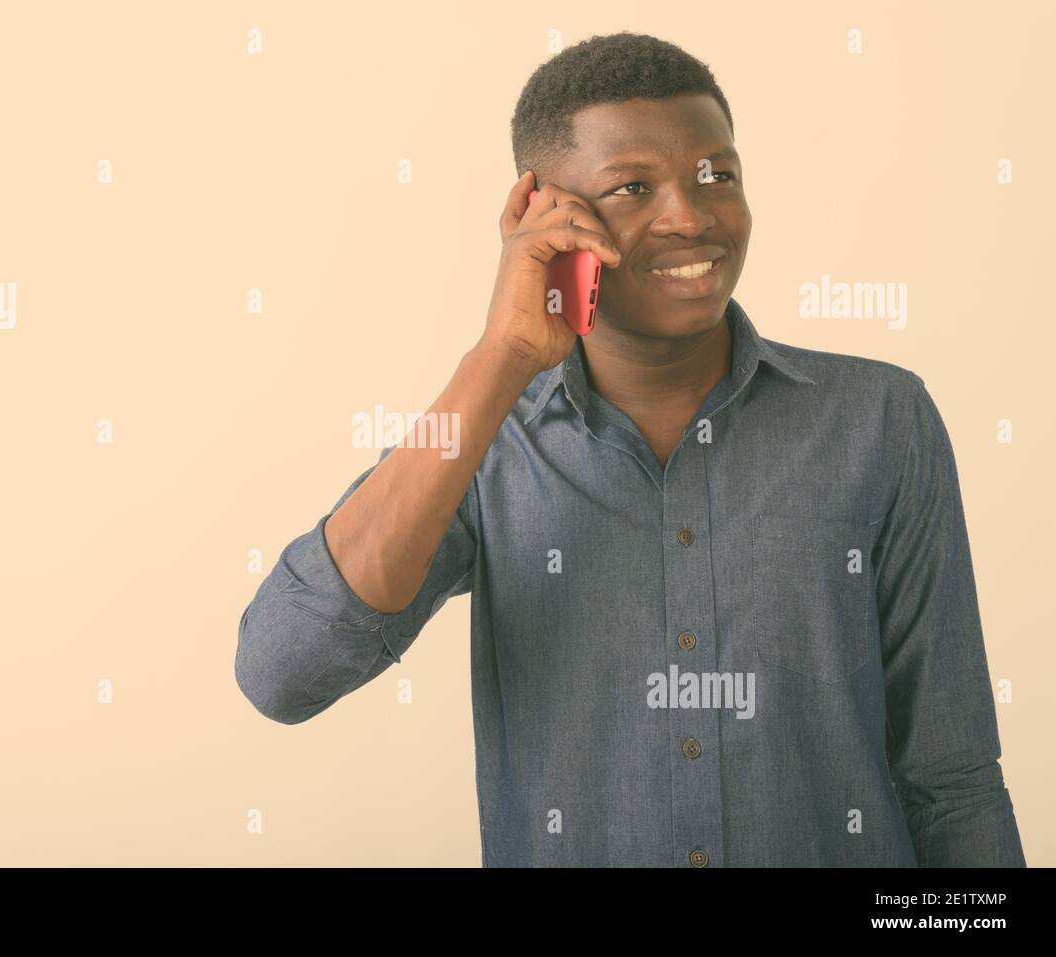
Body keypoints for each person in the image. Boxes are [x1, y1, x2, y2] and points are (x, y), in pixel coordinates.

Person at [235, 31, 1026, 867]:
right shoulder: (487, 445)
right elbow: (283, 671)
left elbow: (952, 775)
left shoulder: (880, 420)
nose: (691, 215)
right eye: (633, 186)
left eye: (716, 174)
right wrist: (500, 354)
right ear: (542, 213)